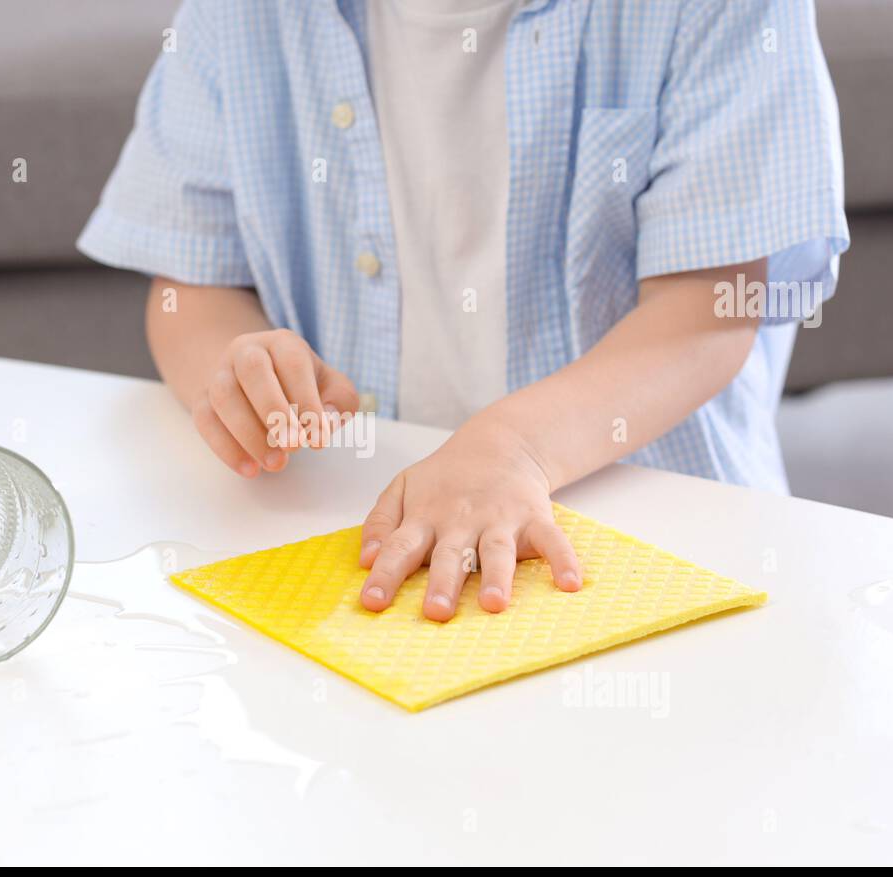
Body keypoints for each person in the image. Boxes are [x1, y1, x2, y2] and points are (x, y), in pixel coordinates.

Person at [78, 0, 849, 621]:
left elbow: (706, 315)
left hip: (647, 537)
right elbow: (190, 284)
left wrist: (514, 448)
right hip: (356, 535)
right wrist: (238, 366)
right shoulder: (238, 17)